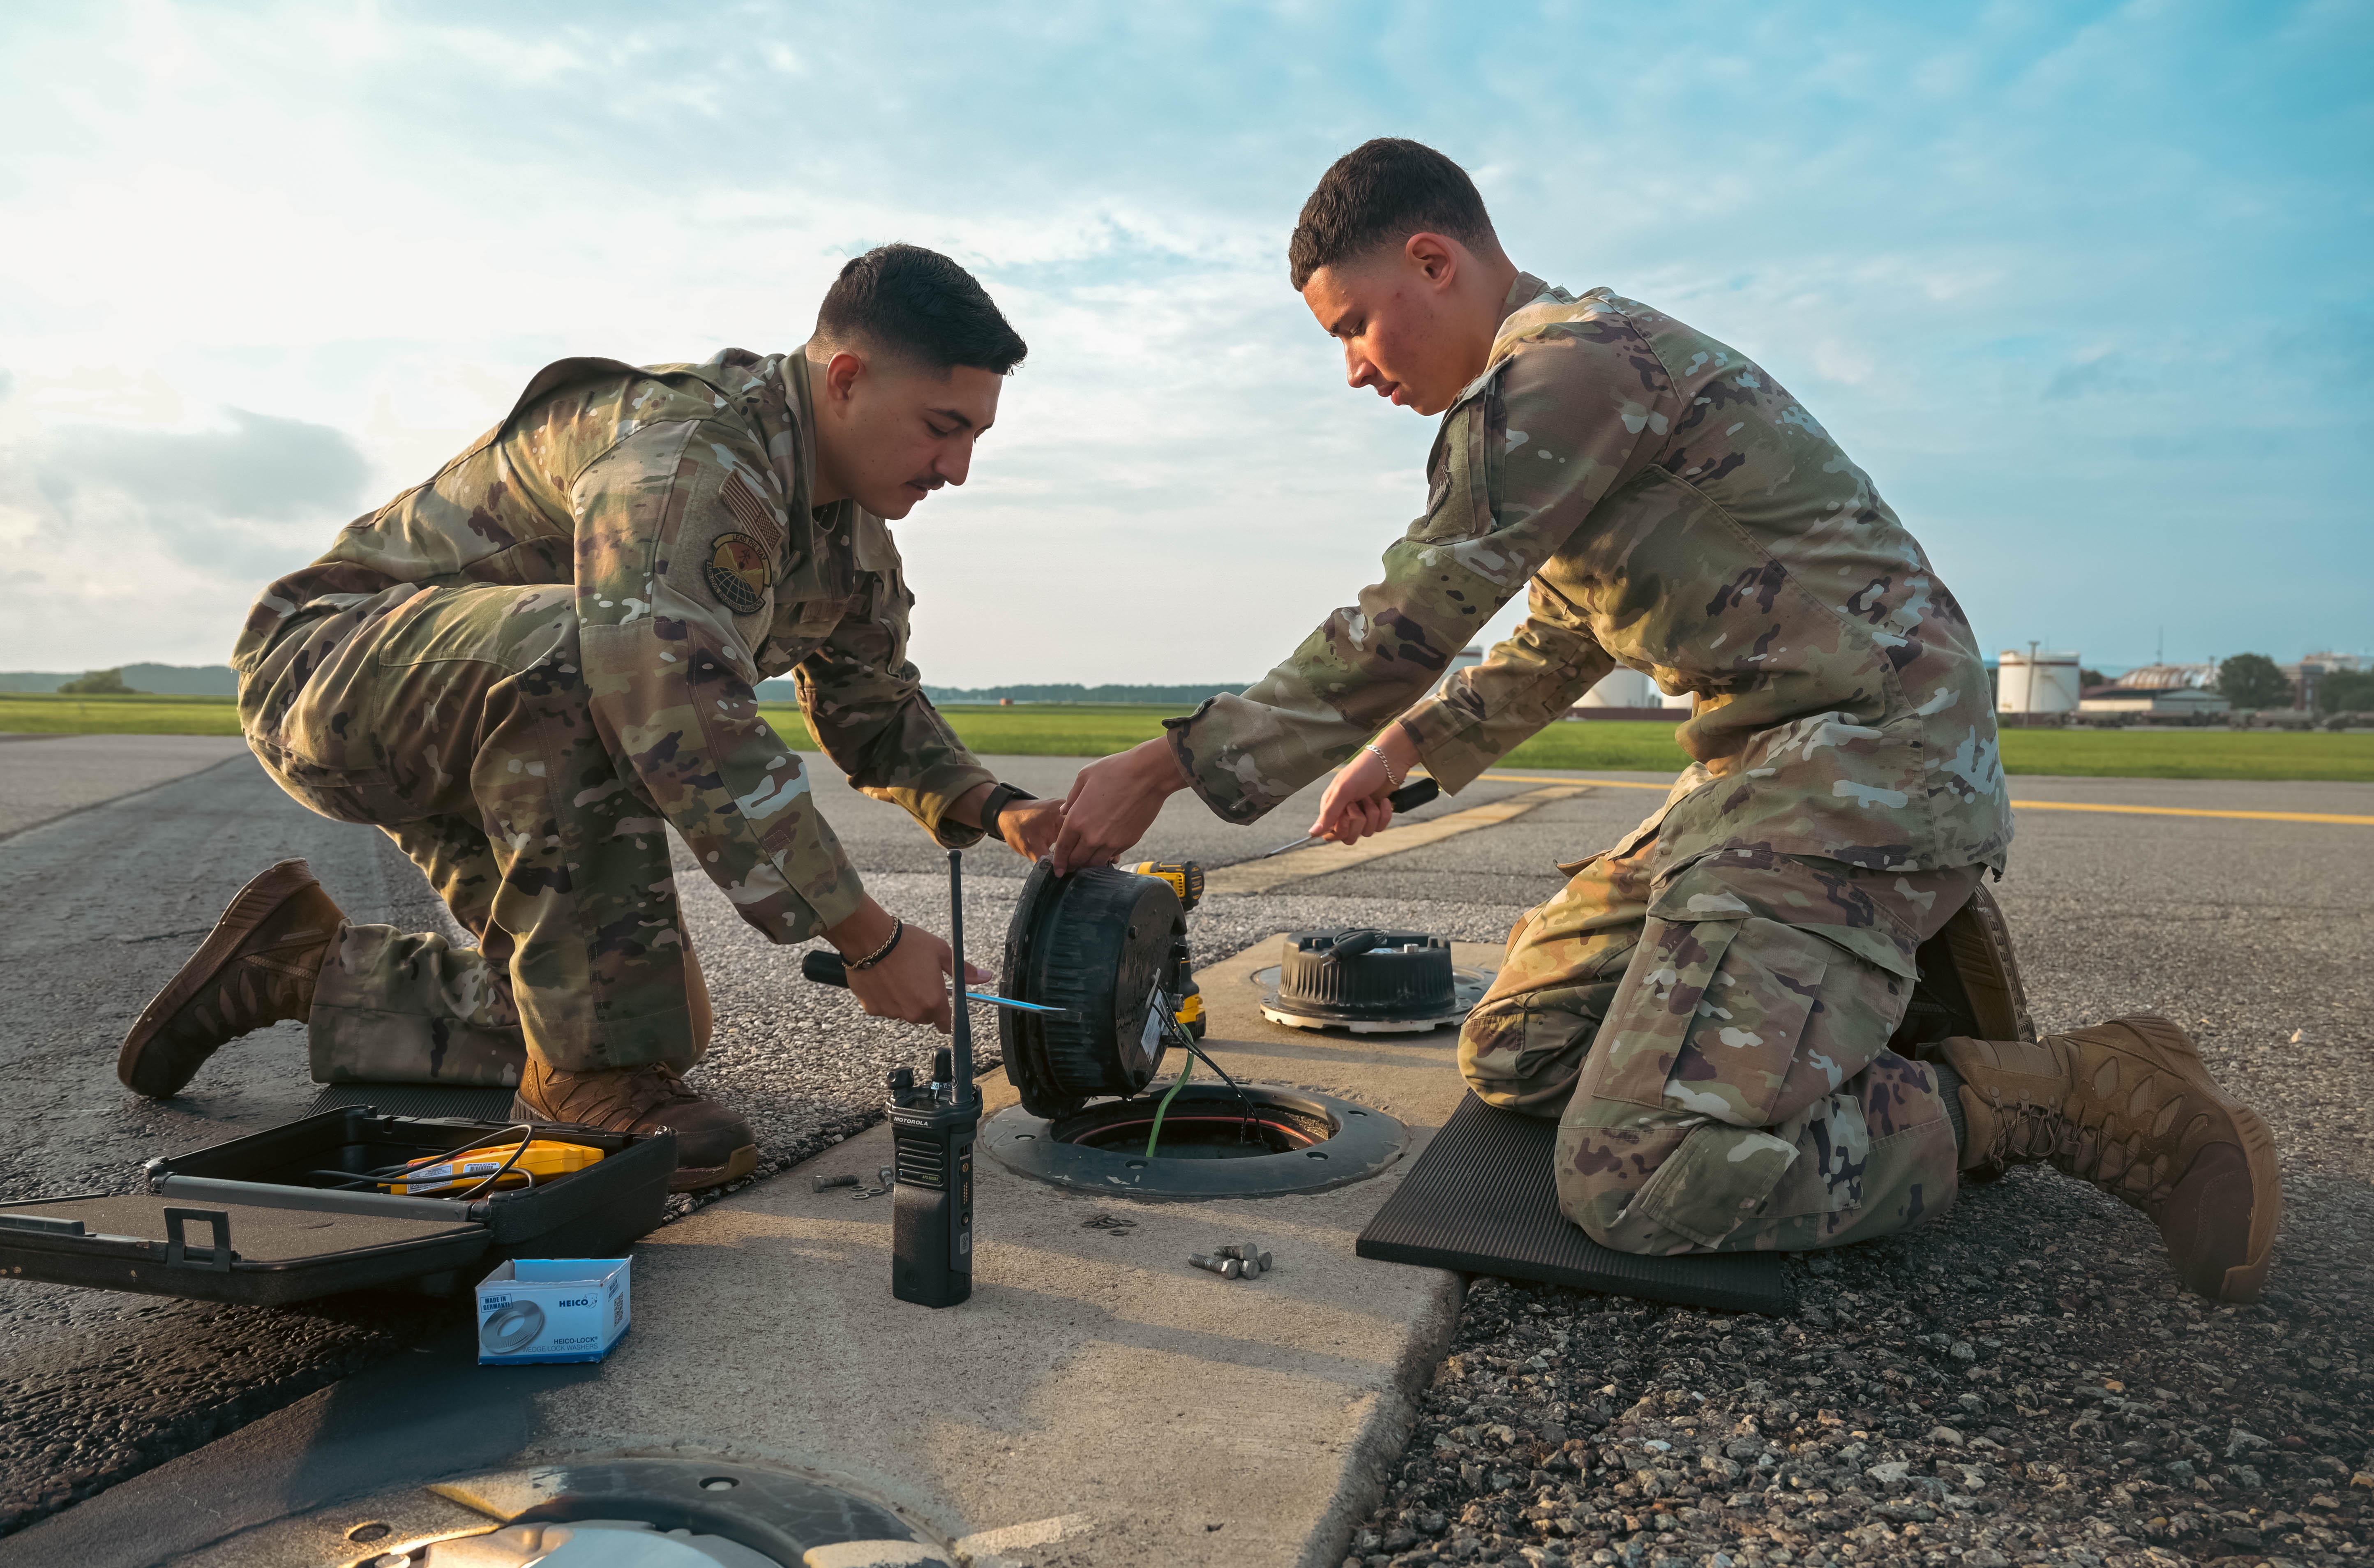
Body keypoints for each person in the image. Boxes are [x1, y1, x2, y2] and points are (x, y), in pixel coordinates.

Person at [1053, 140, 2279, 1299]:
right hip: (1763, 770)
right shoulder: (1578, 385)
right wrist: (1401, 748)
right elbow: (1564, 634)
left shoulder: (1561, 375)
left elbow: (1406, 619)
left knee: (1637, 1175)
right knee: (1519, 1049)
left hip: (1870, 760)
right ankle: (1846, 989)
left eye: (1353, 326)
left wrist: (1166, 766)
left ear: (1433, 262)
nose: (1355, 371)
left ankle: (2054, 1093)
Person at [118, 244, 1062, 1191]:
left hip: (502, 729)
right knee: (601, 661)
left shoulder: (849, 536)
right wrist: (869, 939)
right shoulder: (691, 456)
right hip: (331, 674)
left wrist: (1002, 809)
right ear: (847, 380)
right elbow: (668, 696)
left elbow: (872, 702)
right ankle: (584, 1081)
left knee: (637, 1012)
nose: (958, 469)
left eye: (975, 436)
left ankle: (297, 964)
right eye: (943, 428)